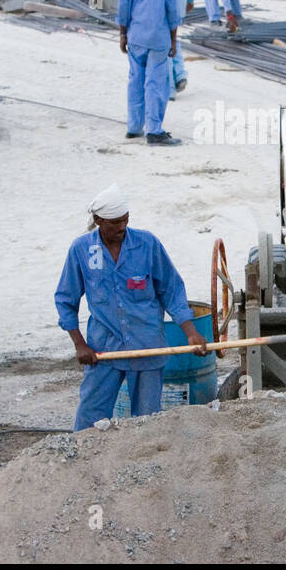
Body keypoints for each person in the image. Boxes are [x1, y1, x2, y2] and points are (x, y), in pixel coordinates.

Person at [55, 184, 208, 431]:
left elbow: (172, 290)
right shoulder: (81, 250)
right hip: (104, 350)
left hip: (147, 347)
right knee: (89, 421)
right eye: (115, 222)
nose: (122, 227)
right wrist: (79, 344)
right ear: (98, 220)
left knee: (146, 423)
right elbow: (65, 299)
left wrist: (190, 331)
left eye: (125, 220)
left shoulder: (148, 244)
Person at [118, 0, 182, 146]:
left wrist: (123, 34)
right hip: (159, 36)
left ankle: (134, 127)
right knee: (156, 81)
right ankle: (154, 129)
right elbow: (172, 8)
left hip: (136, 34)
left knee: (135, 79)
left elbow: (123, 5)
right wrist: (174, 39)